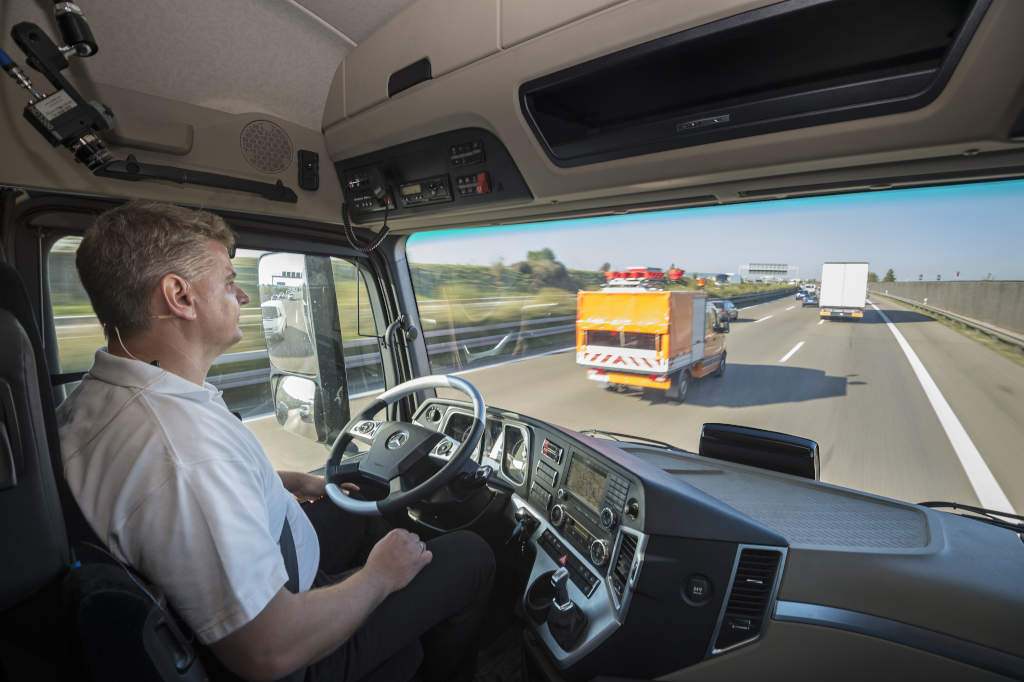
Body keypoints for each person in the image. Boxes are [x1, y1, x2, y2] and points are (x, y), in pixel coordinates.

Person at [56, 201, 495, 682]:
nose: (243, 296)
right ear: (180, 296)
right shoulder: (184, 456)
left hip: (274, 563)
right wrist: (379, 577)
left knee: (365, 497)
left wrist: (279, 480)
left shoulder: (103, 397)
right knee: (470, 556)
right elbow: (270, 650)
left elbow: (195, 487)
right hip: (294, 651)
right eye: (228, 281)